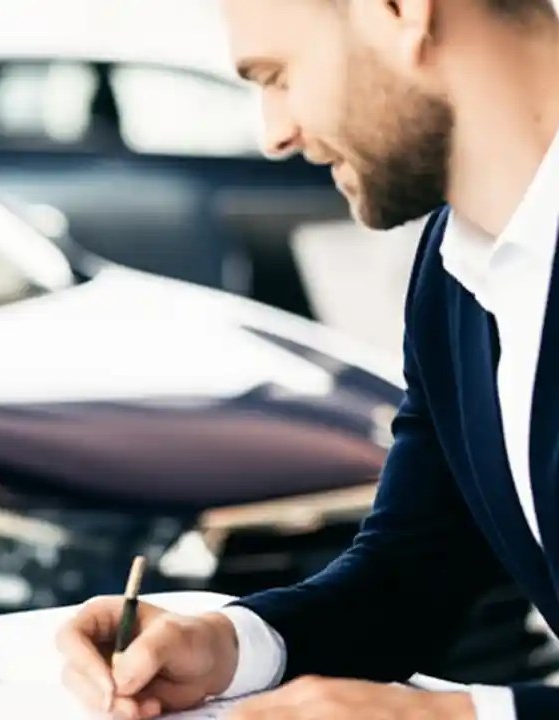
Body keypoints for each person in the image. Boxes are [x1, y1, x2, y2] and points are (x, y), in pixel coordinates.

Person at [56, 0, 559, 718]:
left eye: (279, 76)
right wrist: (231, 643)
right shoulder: (455, 271)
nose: (275, 134)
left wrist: (457, 716)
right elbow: (413, 571)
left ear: (402, 12)